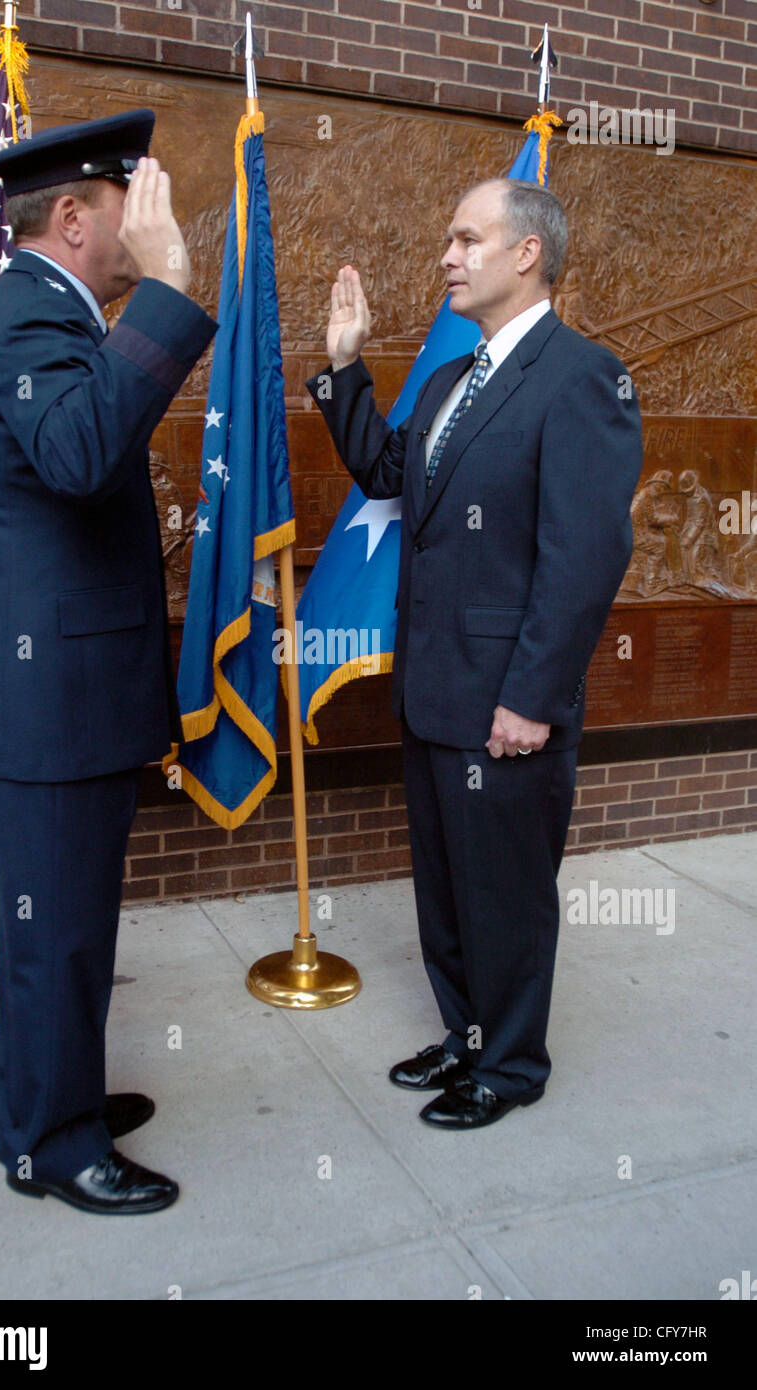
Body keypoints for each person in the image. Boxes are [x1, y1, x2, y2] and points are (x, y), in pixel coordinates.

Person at [308, 178, 644, 1130]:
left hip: (507, 698)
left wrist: (532, 698)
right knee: (449, 886)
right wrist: (345, 370)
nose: (446, 257)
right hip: (435, 689)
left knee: (504, 891)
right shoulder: (456, 380)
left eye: (464, 239)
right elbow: (388, 474)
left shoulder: (583, 376)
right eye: (448, 240)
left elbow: (584, 555)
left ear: (525, 253)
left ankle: (510, 1064)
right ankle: (464, 1036)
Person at [0, 109, 217, 1211]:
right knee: (54, 935)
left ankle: (59, 1098)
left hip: (67, 696)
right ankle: (52, 1147)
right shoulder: (24, 320)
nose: (142, 225)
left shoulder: (50, 317)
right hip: (47, 705)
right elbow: (78, 450)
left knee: (69, 925)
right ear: (73, 218)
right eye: (129, 208)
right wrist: (169, 287)